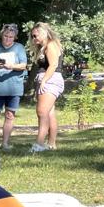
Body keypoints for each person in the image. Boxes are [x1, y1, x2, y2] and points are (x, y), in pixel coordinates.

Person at [0, 24, 28, 150]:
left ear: (15, 38)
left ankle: (5, 143)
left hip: (14, 88)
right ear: (1, 35)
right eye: (6, 36)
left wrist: (11, 66)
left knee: (10, 115)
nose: (8, 39)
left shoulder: (19, 48)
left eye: (11, 37)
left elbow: (23, 65)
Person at [29, 22, 64, 152]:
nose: (34, 38)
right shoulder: (43, 47)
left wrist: (44, 81)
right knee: (49, 113)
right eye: (32, 36)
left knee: (42, 112)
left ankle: (39, 144)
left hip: (50, 80)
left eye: (36, 35)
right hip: (48, 80)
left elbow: (53, 65)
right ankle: (51, 144)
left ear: (44, 33)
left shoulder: (50, 45)